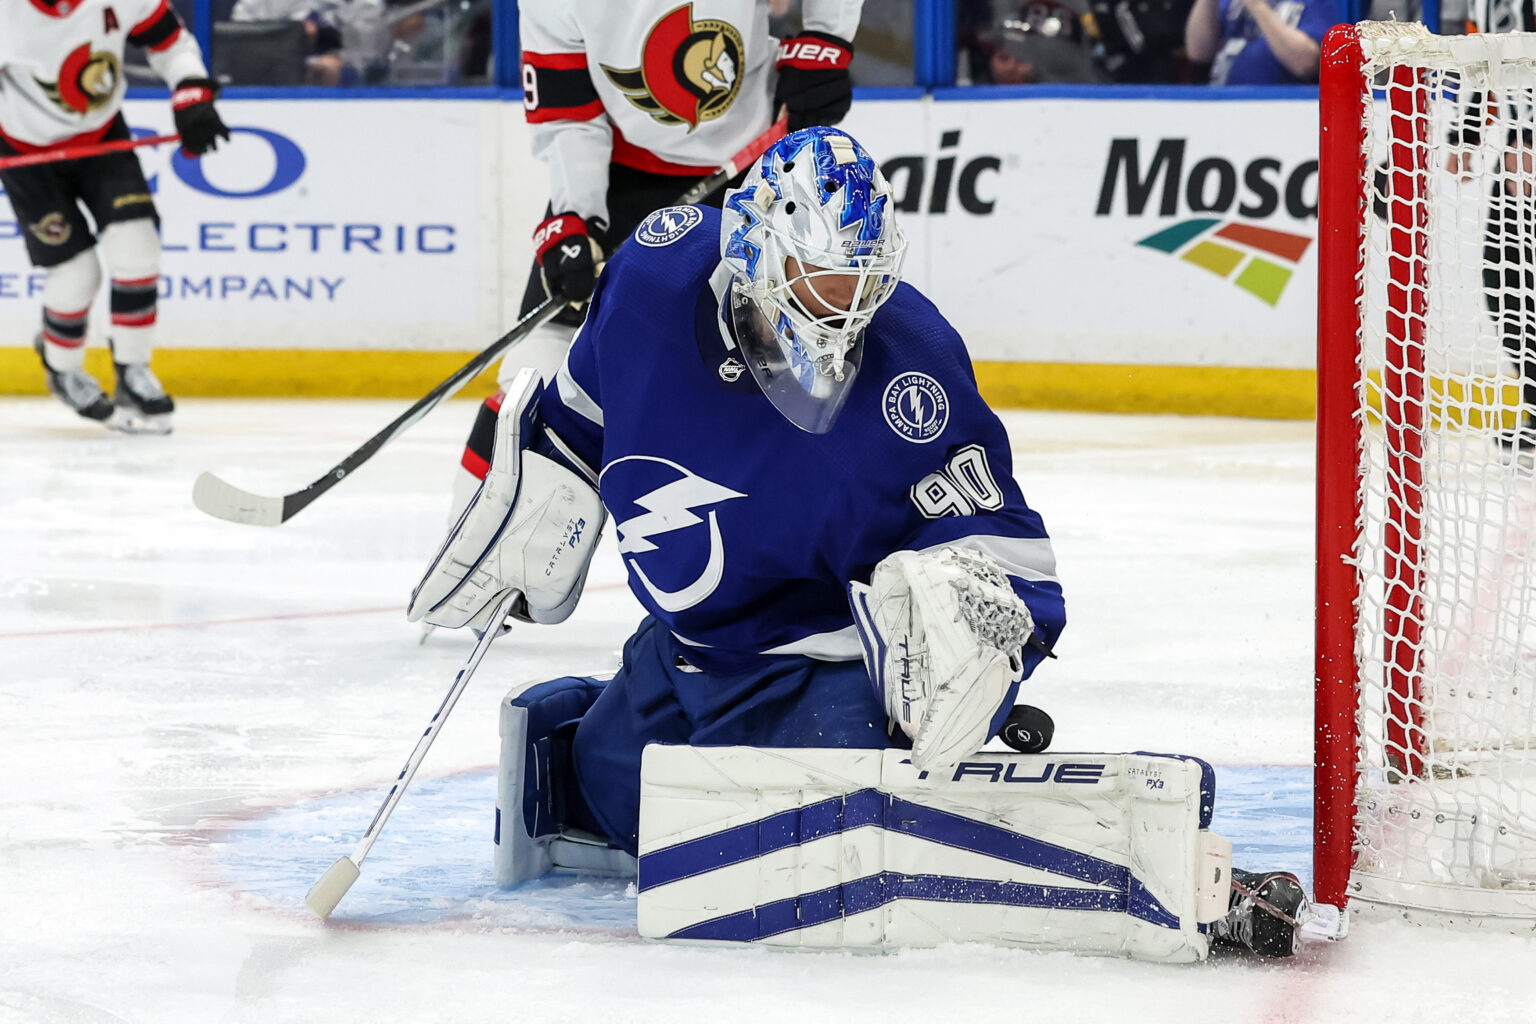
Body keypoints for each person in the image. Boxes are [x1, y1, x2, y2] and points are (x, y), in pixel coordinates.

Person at [408, 126, 1324, 959]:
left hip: (822, 665)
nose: (845, 313)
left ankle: (1158, 875)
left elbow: (1008, 548)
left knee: (829, 844)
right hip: (684, 654)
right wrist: (538, 495)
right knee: (608, 786)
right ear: (755, 250)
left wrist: (988, 628)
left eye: (862, 285)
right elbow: (580, 413)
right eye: (821, 285)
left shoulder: (910, 369)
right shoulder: (650, 276)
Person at [449, 0, 863, 514]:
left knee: (792, 387)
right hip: (621, 181)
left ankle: (809, 555)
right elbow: (568, 111)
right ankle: (476, 573)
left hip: (760, 177)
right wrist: (576, 218)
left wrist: (827, 37)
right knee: (534, 382)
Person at [1, 0, 228, 433]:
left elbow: (170, 41)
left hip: (102, 139)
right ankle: (62, 366)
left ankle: (132, 370)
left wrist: (190, 92)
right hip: (27, 154)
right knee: (75, 274)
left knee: (138, 247)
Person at [1447, 0, 1536, 451]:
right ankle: (1535, 404)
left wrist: (1529, 136)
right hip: (1520, 145)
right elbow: (1488, 62)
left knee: (1516, 273)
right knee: (1504, 273)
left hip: (1528, 140)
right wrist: (1466, 136)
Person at [1184, 0, 1341, 85]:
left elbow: (1306, 64)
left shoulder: (1313, 3)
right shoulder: (1228, 3)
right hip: (1222, 102)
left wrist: (1256, 5)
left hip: (1280, 109)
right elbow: (1198, 52)